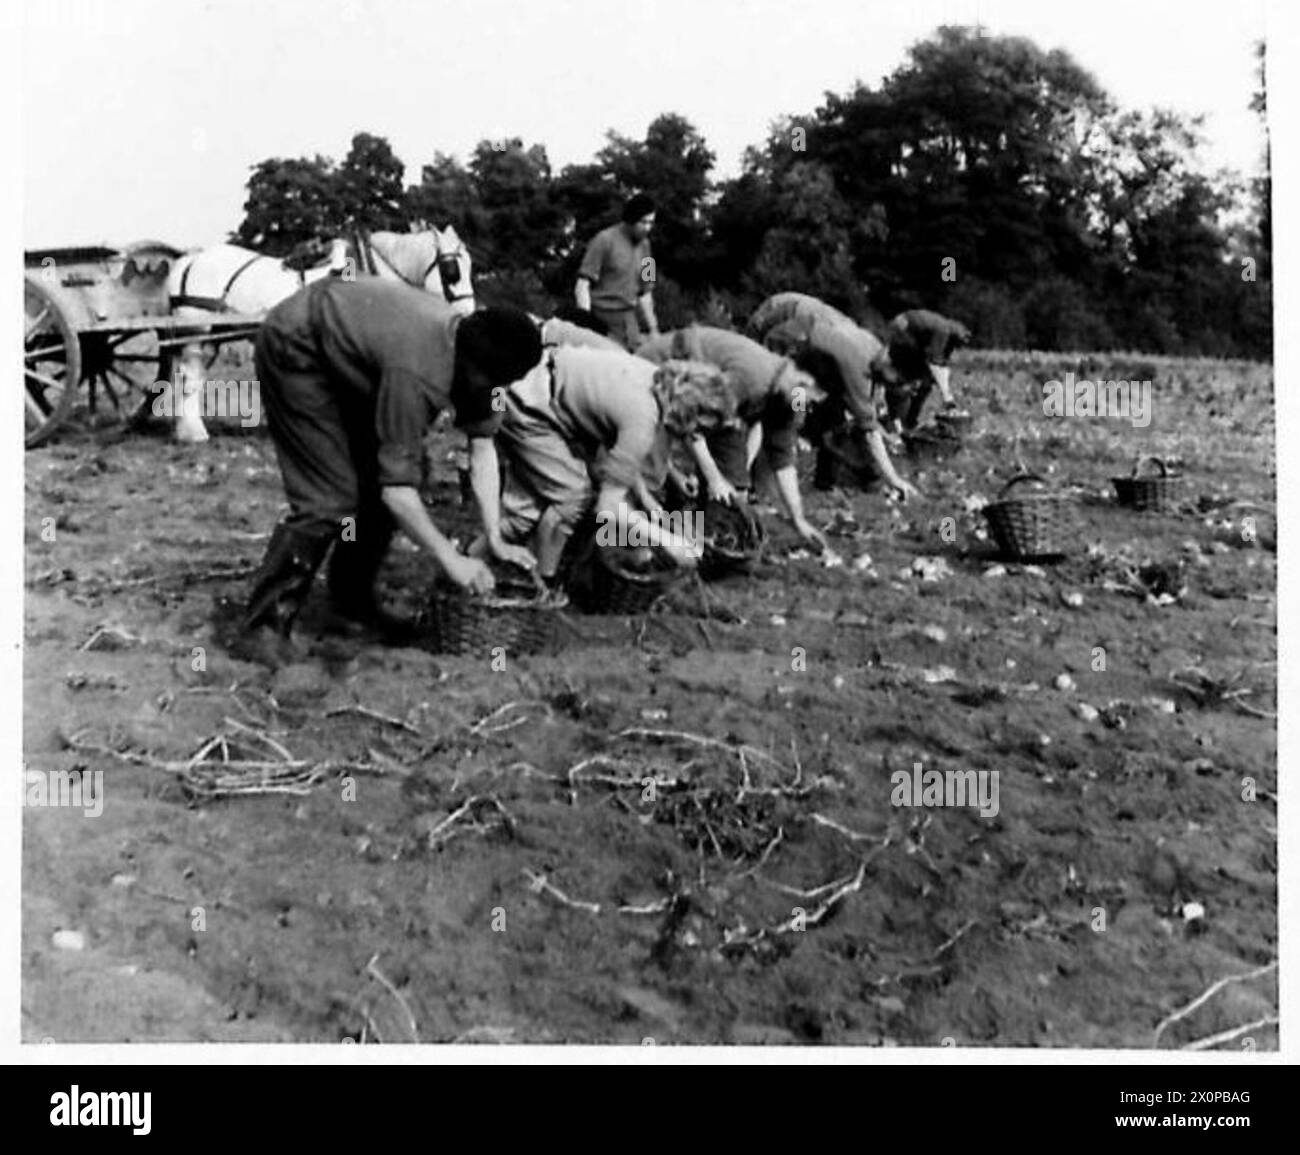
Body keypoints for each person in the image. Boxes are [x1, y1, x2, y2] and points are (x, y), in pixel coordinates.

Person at [235, 277, 542, 665]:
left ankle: (349, 606)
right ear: (475, 368)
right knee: (328, 499)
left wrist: (495, 536)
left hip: (352, 353)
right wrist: (450, 558)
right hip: (298, 345)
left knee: (395, 475)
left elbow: (482, 447)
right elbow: (397, 492)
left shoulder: (480, 363)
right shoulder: (418, 372)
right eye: (494, 382)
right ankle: (262, 627)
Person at [476, 345, 737, 581]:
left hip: (521, 385)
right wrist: (667, 542)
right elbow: (607, 508)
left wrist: (646, 500)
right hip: (524, 403)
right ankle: (545, 582)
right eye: (700, 427)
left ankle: (475, 559)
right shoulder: (642, 419)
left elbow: (619, 457)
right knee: (572, 496)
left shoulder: (655, 379)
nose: (696, 435)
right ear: (691, 410)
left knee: (528, 509)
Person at [636, 325, 830, 551]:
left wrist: (798, 518)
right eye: (810, 401)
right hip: (663, 373)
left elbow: (783, 456)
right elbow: (689, 416)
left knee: (735, 487)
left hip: (716, 402)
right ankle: (632, 545)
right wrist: (713, 477)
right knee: (651, 470)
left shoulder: (791, 398)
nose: (806, 407)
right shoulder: (752, 377)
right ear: (804, 382)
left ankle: (703, 544)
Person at [750, 294, 920, 500]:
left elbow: (869, 410)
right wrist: (894, 479)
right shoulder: (859, 366)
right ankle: (744, 485)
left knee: (810, 413)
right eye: (898, 380)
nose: (895, 386)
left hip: (802, 343)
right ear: (891, 364)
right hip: (777, 319)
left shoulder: (875, 349)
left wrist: (883, 430)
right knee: (767, 414)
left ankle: (820, 481)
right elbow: (869, 432)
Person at [574, 193, 659, 351]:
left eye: (651, 223)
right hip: (602, 317)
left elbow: (646, 292)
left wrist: (654, 329)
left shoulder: (646, 246)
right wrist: (584, 324)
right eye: (643, 222)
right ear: (631, 219)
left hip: (629, 320)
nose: (647, 228)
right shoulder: (604, 240)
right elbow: (582, 285)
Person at [877, 310, 971, 432]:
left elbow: (943, 364)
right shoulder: (944, 330)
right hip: (903, 330)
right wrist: (948, 399)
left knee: (926, 382)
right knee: (909, 378)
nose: (960, 347)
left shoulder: (949, 338)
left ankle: (910, 419)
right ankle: (899, 417)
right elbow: (935, 363)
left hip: (908, 331)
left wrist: (945, 392)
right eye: (961, 343)